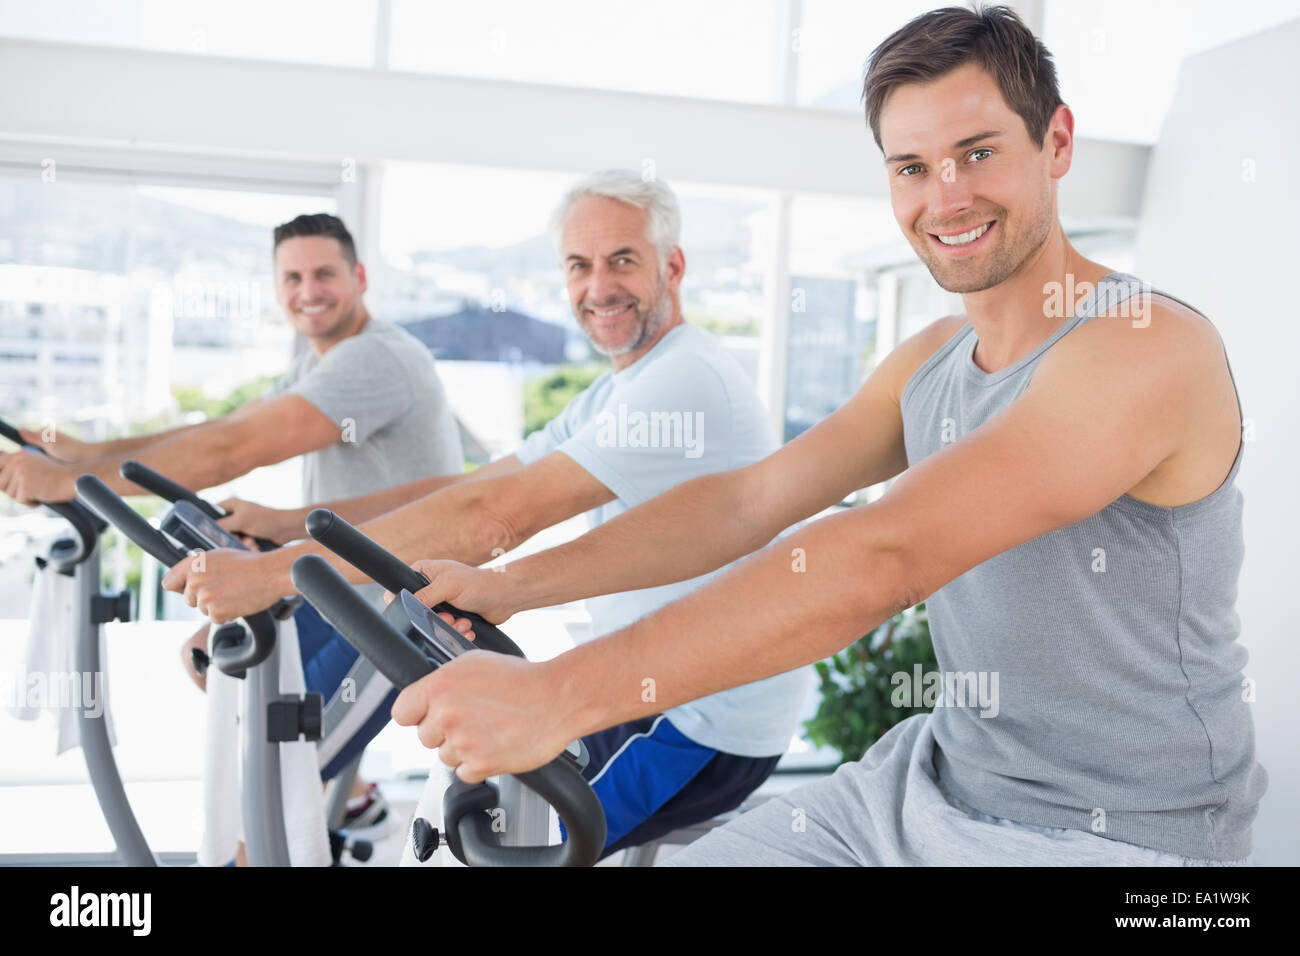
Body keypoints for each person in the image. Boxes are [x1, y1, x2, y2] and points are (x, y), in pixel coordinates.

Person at [389, 5, 1267, 866]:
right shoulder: (929, 360)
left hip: (1125, 841)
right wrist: (508, 588)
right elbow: (746, 502)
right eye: (912, 168)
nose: (947, 196)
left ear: (1058, 143)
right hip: (931, 785)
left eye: (979, 153)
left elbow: (886, 553)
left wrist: (556, 696)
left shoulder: (1146, 347)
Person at [162, 170, 810, 859]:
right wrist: (291, 528)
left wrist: (273, 574)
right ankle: (351, 804)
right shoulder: (620, 385)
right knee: (461, 798)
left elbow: (495, 516)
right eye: (579, 266)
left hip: (697, 720)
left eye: (623, 260)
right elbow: (482, 484)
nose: (599, 288)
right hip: (637, 687)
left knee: (485, 839)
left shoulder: (686, 380)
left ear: (671, 266)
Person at [1, 212, 464, 827]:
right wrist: (83, 455)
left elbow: (232, 452)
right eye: (292, 277)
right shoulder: (317, 363)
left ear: (358, 277)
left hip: (395, 604)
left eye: (324, 273)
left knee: (266, 789)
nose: (308, 291)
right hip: (341, 583)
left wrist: (68, 484)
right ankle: (345, 802)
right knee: (212, 657)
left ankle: (322, 805)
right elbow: (221, 429)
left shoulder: (376, 360)